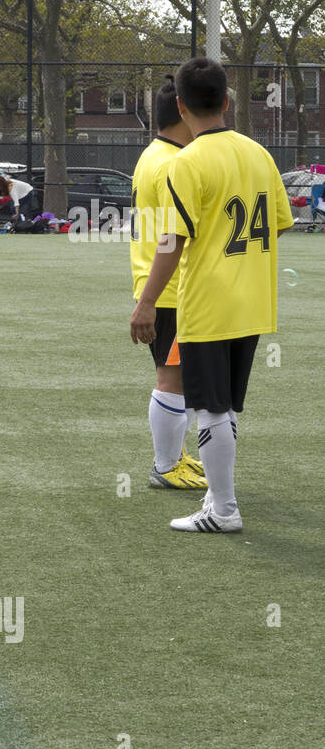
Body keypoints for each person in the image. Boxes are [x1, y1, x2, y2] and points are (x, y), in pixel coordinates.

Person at [130, 57, 293, 533]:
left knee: (210, 406)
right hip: (254, 302)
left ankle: (223, 509)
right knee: (224, 406)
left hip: (206, 303)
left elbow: (171, 240)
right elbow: (280, 225)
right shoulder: (260, 153)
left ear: (181, 105)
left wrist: (145, 302)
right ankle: (217, 499)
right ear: (227, 102)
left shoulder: (187, 162)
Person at [128, 76, 205, 492]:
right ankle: (164, 466)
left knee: (179, 376)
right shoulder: (174, 163)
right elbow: (172, 236)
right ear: (182, 111)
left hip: (159, 285)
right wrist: (150, 300)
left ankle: (174, 458)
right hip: (171, 289)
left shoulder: (152, 156)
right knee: (171, 378)